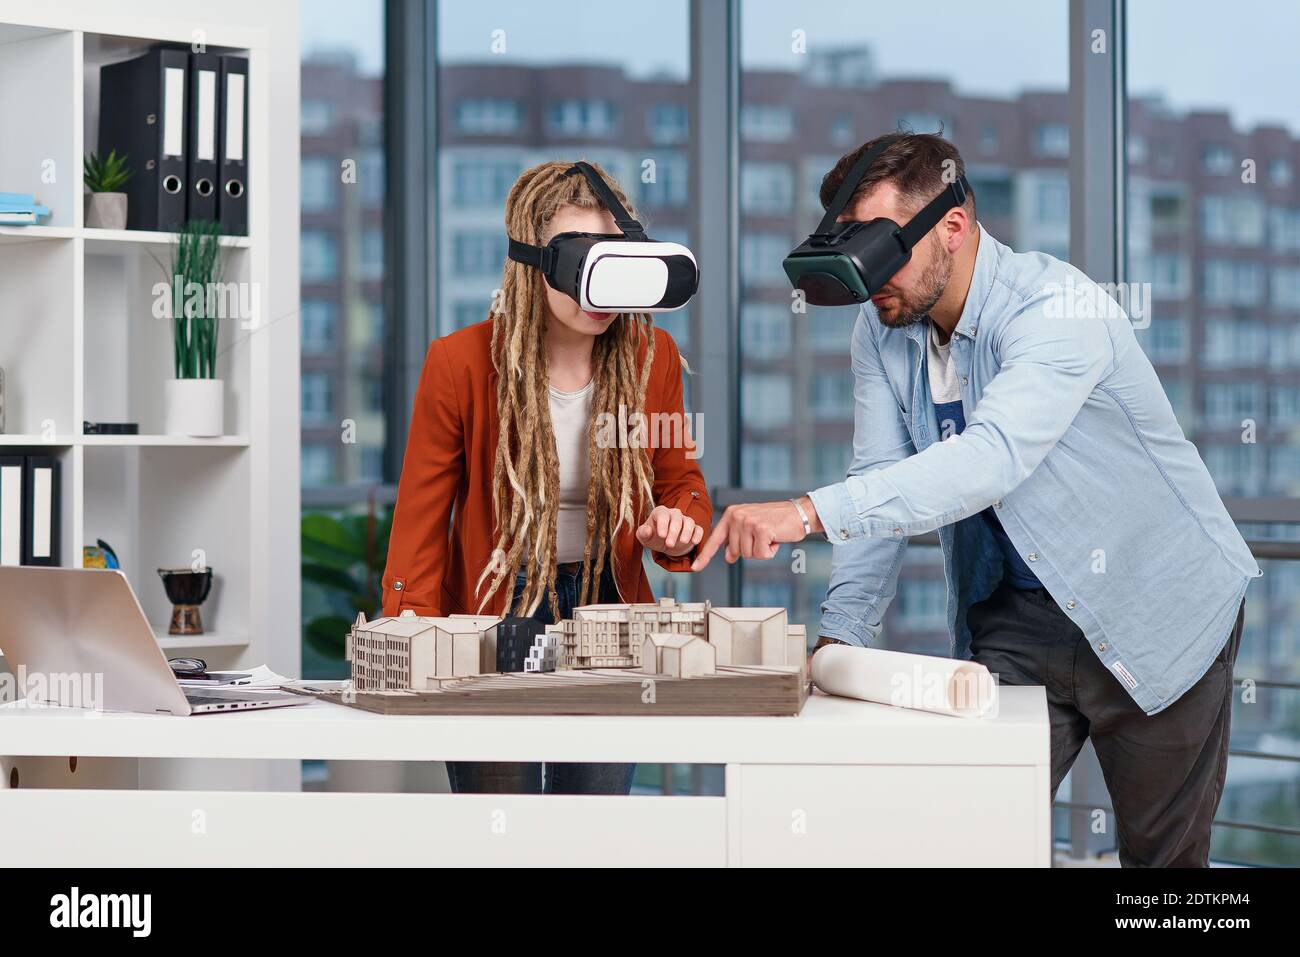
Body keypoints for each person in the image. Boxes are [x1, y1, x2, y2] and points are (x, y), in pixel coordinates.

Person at [693, 132, 1260, 867]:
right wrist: (841, 637)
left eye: (883, 250)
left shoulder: (1057, 308)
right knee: (968, 836)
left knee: (1162, 871)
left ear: (952, 227)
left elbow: (990, 459)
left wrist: (803, 512)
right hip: (1018, 619)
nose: (870, 283)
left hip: (1157, 604)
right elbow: (878, 474)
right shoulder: (883, 329)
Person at [383, 159, 712, 795]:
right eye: (580, 261)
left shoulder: (653, 356)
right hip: (497, 604)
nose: (598, 289)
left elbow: (682, 484)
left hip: (608, 608)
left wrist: (678, 525)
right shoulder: (458, 363)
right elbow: (421, 520)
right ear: (532, 264)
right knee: (497, 815)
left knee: (592, 813)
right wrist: (411, 634)